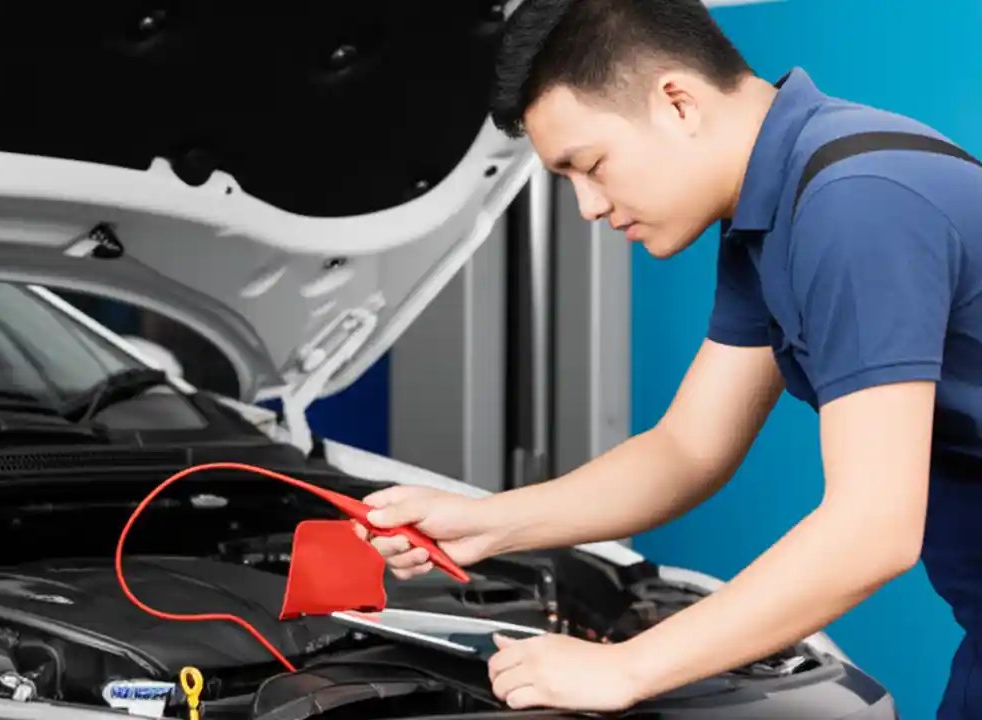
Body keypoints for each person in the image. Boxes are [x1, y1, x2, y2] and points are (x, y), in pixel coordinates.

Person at [355, 0, 982, 717]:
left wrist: (627, 668)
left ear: (677, 102)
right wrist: (487, 523)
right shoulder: (780, 200)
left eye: (589, 166)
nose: (588, 206)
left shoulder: (854, 203)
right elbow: (688, 449)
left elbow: (872, 529)